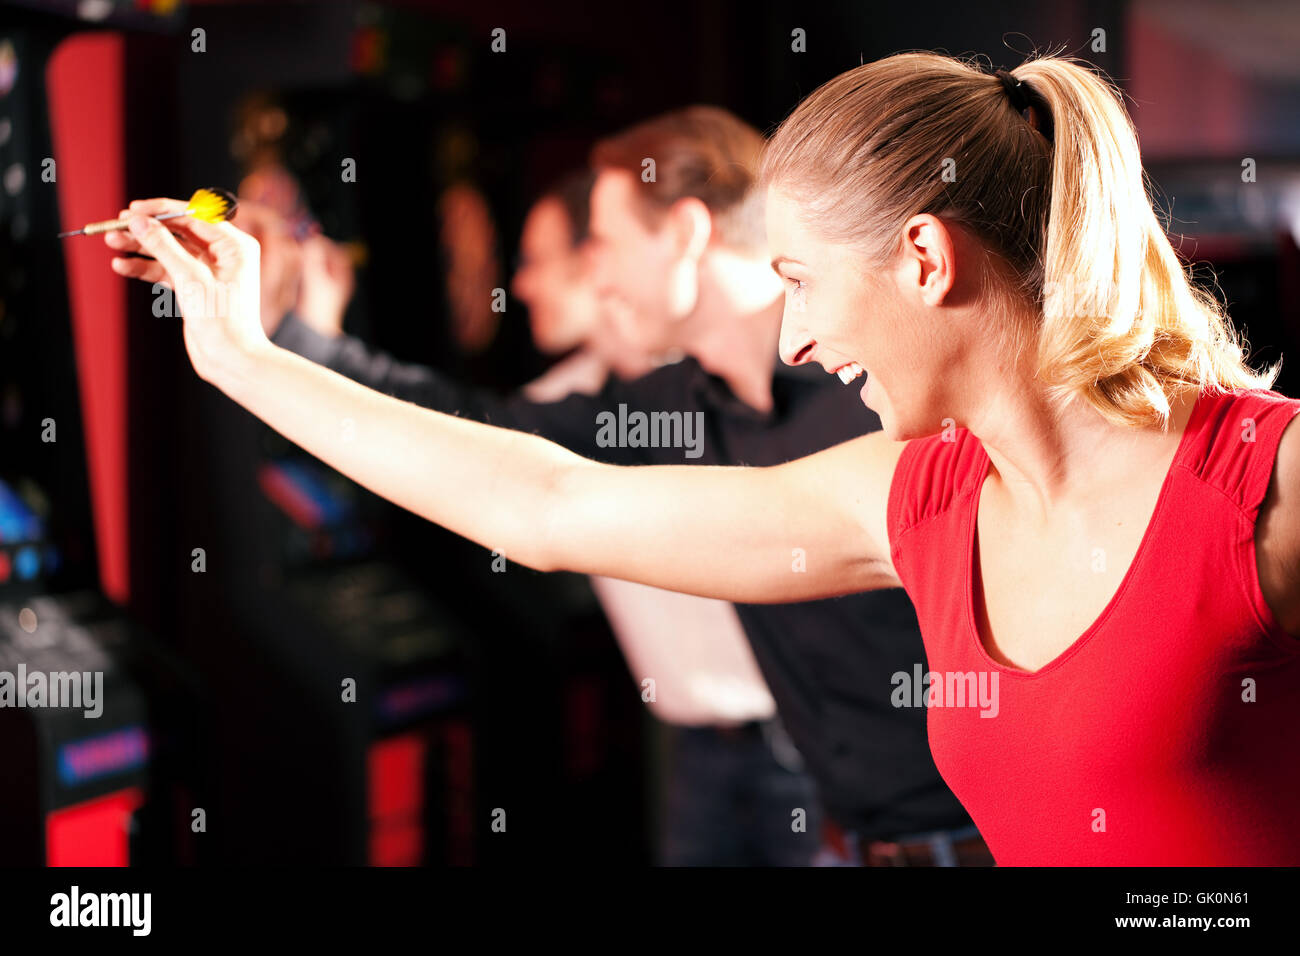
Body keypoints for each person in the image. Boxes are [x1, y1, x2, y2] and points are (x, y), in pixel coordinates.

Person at [102, 52, 1300, 865]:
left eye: (798, 283)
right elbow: (551, 503)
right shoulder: (914, 500)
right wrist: (245, 361)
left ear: (924, 260)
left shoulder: (1263, 485)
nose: (792, 336)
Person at [246, 110, 983, 865]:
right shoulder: (674, 404)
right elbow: (485, 429)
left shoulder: (880, 385)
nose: (593, 273)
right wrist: (289, 340)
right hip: (848, 839)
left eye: (603, 240)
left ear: (687, 233)